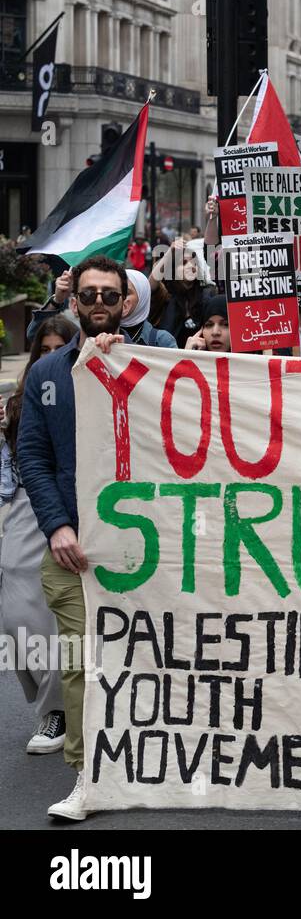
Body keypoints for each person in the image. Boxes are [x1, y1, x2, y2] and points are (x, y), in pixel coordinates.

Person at [17, 253, 130, 821]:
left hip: (143, 551)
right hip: (74, 551)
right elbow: (32, 455)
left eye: (110, 296)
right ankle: (87, 776)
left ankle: (158, 765)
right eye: (90, 296)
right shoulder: (46, 373)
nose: (100, 305)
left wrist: (122, 364)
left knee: (150, 660)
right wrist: (56, 525)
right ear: (74, 301)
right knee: (82, 664)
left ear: (126, 303)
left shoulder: (150, 363)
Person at [0, 315, 77, 757]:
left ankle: (59, 712)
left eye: (58, 350)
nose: (51, 358)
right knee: (19, 620)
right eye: (42, 351)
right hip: (29, 510)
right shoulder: (17, 403)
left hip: (82, 504)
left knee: (70, 622)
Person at [155, 237, 216, 346]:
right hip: (170, 359)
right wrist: (170, 252)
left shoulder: (207, 293)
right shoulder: (165, 294)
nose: (191, 266)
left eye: (194, 263)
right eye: (184, 263)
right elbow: (152, 282)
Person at [121, 269, 178, 347]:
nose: (120, 298)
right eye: (115, 293)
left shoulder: (162, 340)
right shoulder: (102, 331)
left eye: (126, 293)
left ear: (142, 298)